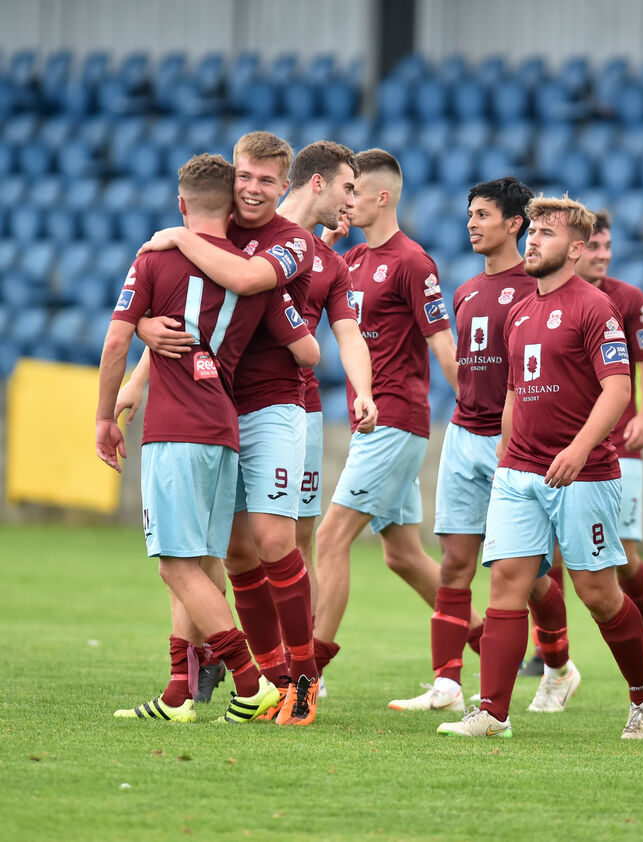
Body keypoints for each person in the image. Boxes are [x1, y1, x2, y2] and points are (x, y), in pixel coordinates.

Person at [100, 153, 318, 724]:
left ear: (181, 204)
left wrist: (106, 414)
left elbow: (114, 346)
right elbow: (305, 348)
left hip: (178, 427)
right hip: (224, 423)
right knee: (202, 560)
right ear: (231, 202)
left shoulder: (158, 259)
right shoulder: (251, 271)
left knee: (175, 565)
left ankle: (252, 683)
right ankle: (179, 692)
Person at [438, 195, 643, 739]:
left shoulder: (594, 307)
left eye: (547, 233)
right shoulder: (520, 310)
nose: (533, 240)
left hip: (583, 474)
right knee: (507, 585)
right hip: (518, 472)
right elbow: (516, 390)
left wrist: (580, 448)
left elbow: (617, 388)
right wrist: (506, 451)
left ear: (577, 248)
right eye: (532, 230)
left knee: (598, 594)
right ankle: (492, 712)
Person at [389, 177, 577, 715]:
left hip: (514, 442)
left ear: (515, 224)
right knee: (454, 565)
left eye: (483, 215)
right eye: (470, 214)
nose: (471, 223)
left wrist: (522, 438)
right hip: (463, 434)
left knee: (527, 575)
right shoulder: (467, 289)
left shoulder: (536, 286)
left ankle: (559, 667)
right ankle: (446, 684)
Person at [313, 149, 474, 688]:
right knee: (403, 555)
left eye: (354, 191)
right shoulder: (351, 259)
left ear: (382, 197)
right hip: (373, 421)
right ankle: (490, 639)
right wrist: (325, 249)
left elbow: (443, 344)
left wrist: (478, 413)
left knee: (331, 538)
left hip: (396, 421)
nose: (345, 200)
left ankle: (308, 670)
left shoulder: (412, 262)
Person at [274, 141, 377, 626]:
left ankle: (302, 665)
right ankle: (204, 659)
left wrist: (364, 392)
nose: (351, 203)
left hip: (301, 407)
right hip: (234, 402)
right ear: (318, 182)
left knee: (298, 539)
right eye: (347, 188)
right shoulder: (246, 236)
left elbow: (350, 334)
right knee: (230, 541)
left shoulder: (330, 262)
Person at [576, 210, 643, 662]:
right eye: (594, 246)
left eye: (608, 247)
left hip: (618, 444)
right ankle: (548, 651)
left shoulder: (627, 298)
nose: (603, 255)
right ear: (574, 247)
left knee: (625, 557)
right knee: (545, 556)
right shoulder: (543, 296)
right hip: (558, 442)